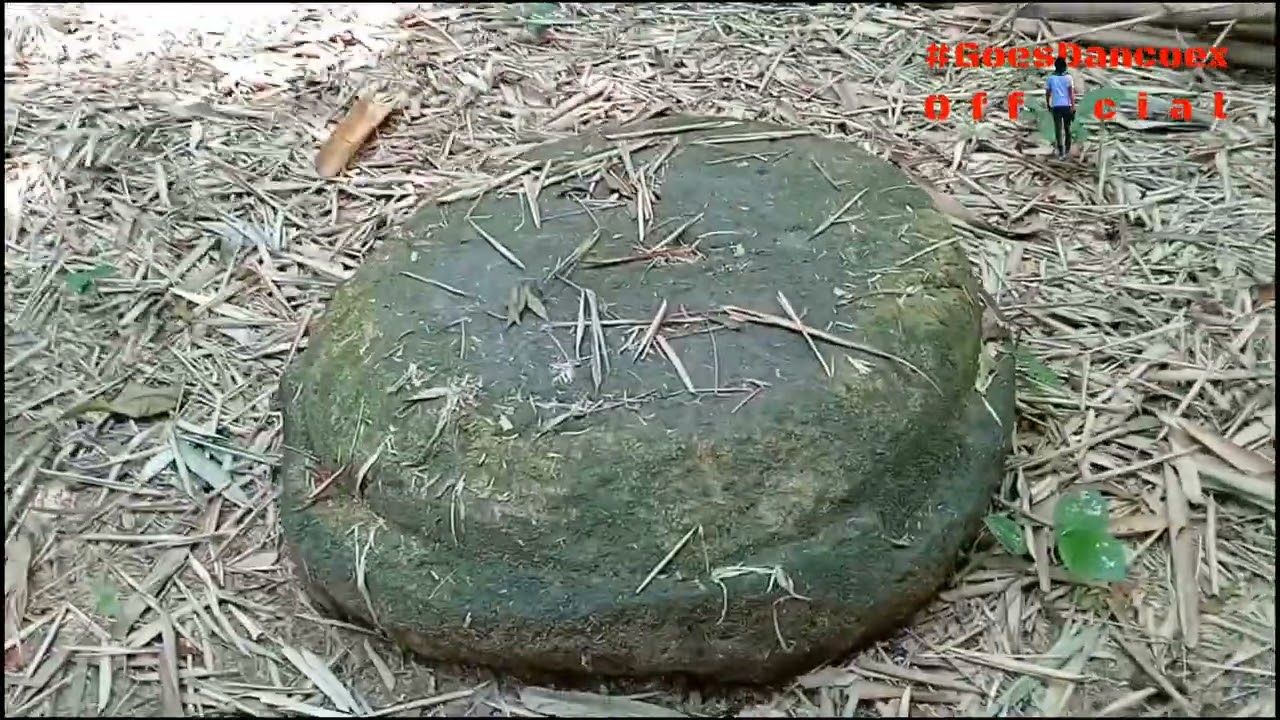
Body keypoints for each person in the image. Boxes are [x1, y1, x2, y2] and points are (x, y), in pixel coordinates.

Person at [1045, 57, 1077, 159]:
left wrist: (1048, 104)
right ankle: (1067, 149)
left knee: (1058, 129)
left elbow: (1048, 93)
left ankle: (1061, 151)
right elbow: (1071, 94)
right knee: (1067, 128)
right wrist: (1073, 106)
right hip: (1067, 106)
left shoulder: (1050, 78)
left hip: (1056, 106)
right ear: (1064, 67)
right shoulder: (1069, 78)